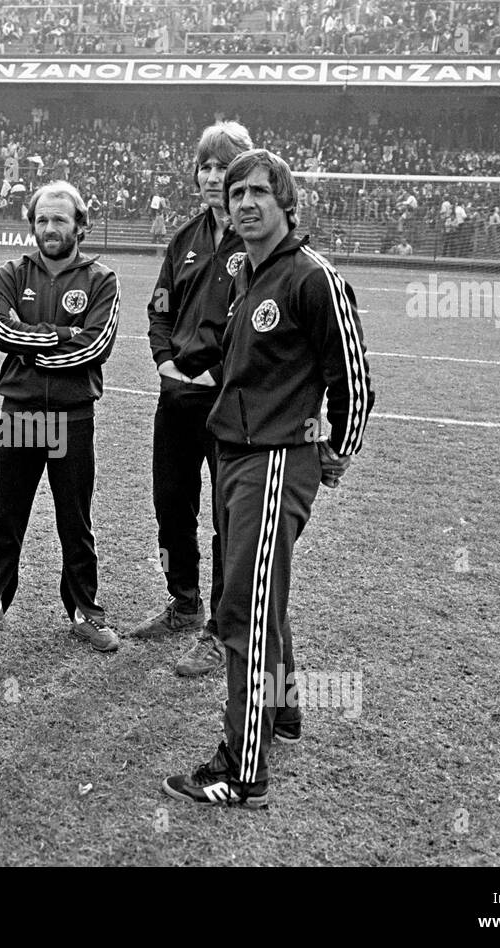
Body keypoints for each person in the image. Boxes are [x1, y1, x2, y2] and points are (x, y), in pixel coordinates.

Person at [162, 149, 374, 808]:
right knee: (261, 595)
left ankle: (240, 770)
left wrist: (336, 450)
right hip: (235, 452)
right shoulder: (248, 275)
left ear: (288, 204)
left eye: (259, 191)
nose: (245, 202)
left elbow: (355, 382)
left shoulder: (313, 278)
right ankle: (282, 713)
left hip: (278, 457)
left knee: (241, 609)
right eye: (236, 193)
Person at [0, 181, 121, 653]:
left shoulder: (102, 280)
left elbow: (97, 346)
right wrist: (63, 337)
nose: (49, 228)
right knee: (8, 515)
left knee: (75, 518)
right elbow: (3, 333)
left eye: (59, 219)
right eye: (42, 219)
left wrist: (36, 346)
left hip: (72, 416)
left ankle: (85, 611)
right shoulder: (10, 273)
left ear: (79, 226)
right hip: (20, 412)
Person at [129, 122, 253, 681]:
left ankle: (219, 633)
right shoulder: (184, 239)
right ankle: (184, 603)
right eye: (203, 166)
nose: (210, 176)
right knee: (171, 504)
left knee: (229, 517)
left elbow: (262, 330)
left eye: (222, 166)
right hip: (175, 396)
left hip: (230, 404)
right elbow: (159, 308)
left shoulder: (258, 243)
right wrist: (164, 360)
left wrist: (218, 375)